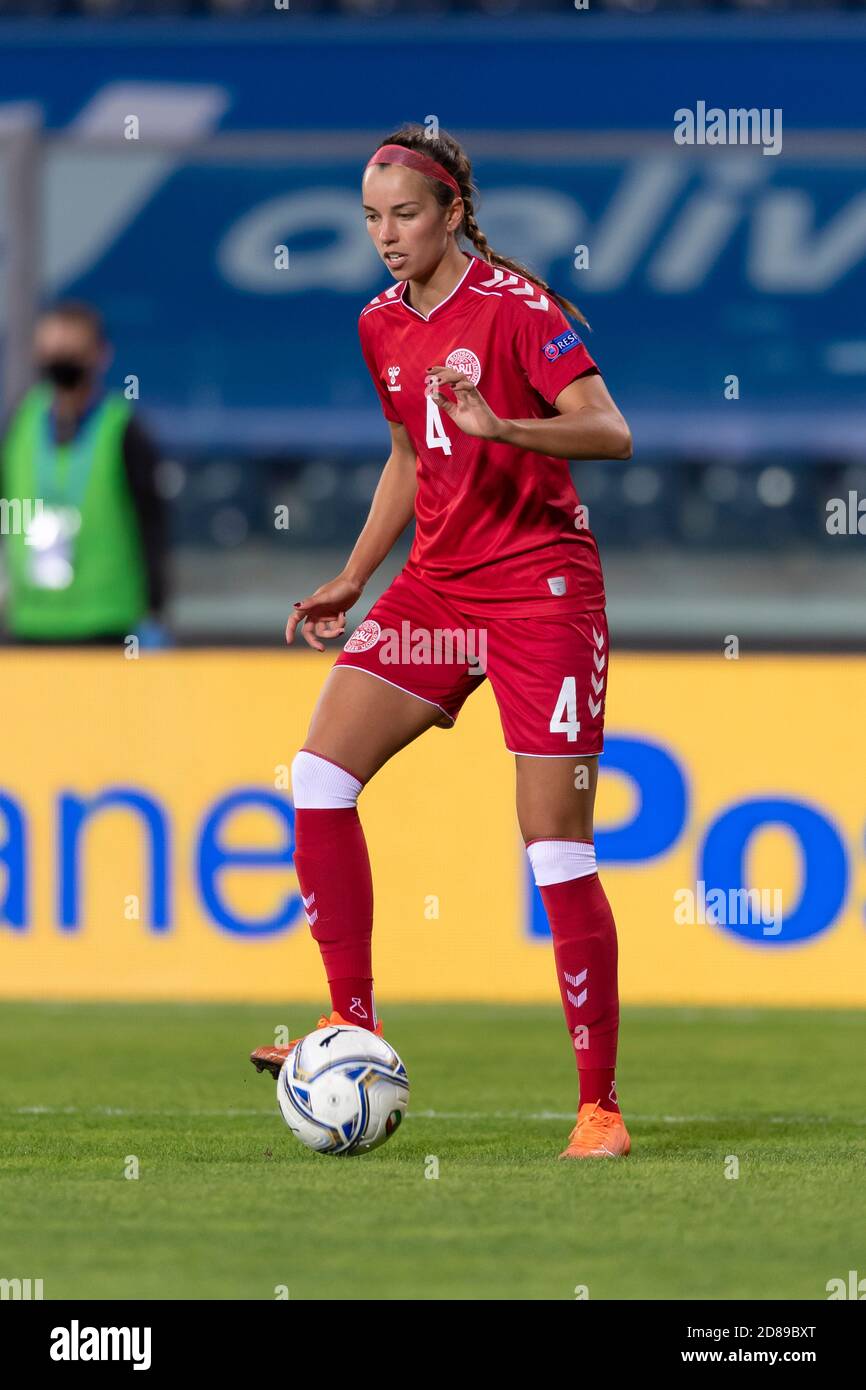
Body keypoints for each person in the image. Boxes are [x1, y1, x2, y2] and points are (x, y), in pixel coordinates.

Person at [251, 126, 633, 1160]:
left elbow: (608, 429)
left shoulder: (517, 313)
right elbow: (407, 457)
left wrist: (505, 428)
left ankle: (598, 1107)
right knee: (319, 773)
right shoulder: (379, 323)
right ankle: (354, 1025)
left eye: (404, 215)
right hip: (434, 585)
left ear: (453, 211)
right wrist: (352, 573)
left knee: (553, 841)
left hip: (538, 590)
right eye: (371, 218)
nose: (385, 236)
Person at [0, 300, 167, 644]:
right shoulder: (21, 422)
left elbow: (151, 522)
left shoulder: (121, 427)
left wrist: (154, 608)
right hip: (29, 620)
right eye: (51, 349)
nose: (60, 359)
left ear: (99, 355)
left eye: (71, 350)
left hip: (106, 622)